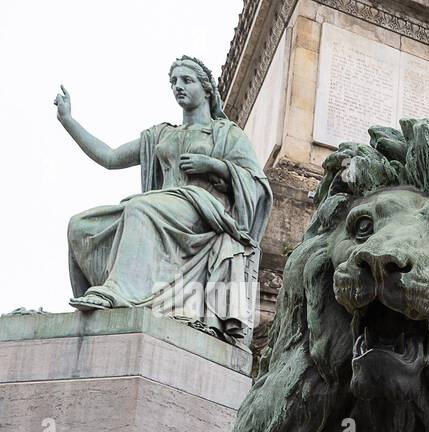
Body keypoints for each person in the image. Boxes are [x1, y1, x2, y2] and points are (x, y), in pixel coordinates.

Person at [55, 56, 271, 343]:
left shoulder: (227, 135)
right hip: (163, 207)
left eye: (186, 80)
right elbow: (109, 157)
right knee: (81, 226)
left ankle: (118, 292)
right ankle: (95, 314)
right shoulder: (161, 134)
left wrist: (215, 167)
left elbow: (258, 186)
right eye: (173, 82)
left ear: (207, 89)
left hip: (200, 209)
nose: (177, 86)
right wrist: (69, 121)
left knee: (139, 207)